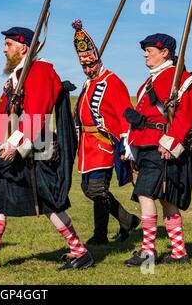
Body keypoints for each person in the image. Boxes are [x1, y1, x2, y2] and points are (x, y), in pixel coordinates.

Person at [0, 27, 94, 271]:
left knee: (50, 203)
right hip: (13, 148)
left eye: (8, 44)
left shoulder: (40, 71)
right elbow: (4, 111)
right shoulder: (16, 77)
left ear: (24, 48)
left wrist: (15, 143)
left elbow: (37, 111)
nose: (4, 49)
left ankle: (80, 251)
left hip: (35, 149)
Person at [124, 33, 192, 265]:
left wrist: (170, 141)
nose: (145, 55)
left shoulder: (180, 78)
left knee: (145, 194)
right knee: (167, 199)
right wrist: (131, 148)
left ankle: (148, 251)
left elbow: (188, 112)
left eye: (150, 51)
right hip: (146, 144)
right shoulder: (150, 80)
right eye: (145, 51)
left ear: (164, 52)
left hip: (161, 145)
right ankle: (179, 253)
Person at [71, 20, 140, 245]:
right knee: (87, 189)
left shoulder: (112, 82)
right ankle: (127, 220)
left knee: (97, 189)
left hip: (103, 143)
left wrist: (125, 145)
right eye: (84, 67)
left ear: (99, 61)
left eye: (91, 65)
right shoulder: (87, 83)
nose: (88, 69)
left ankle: (100, 235)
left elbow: (124, 114)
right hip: (86, 144)